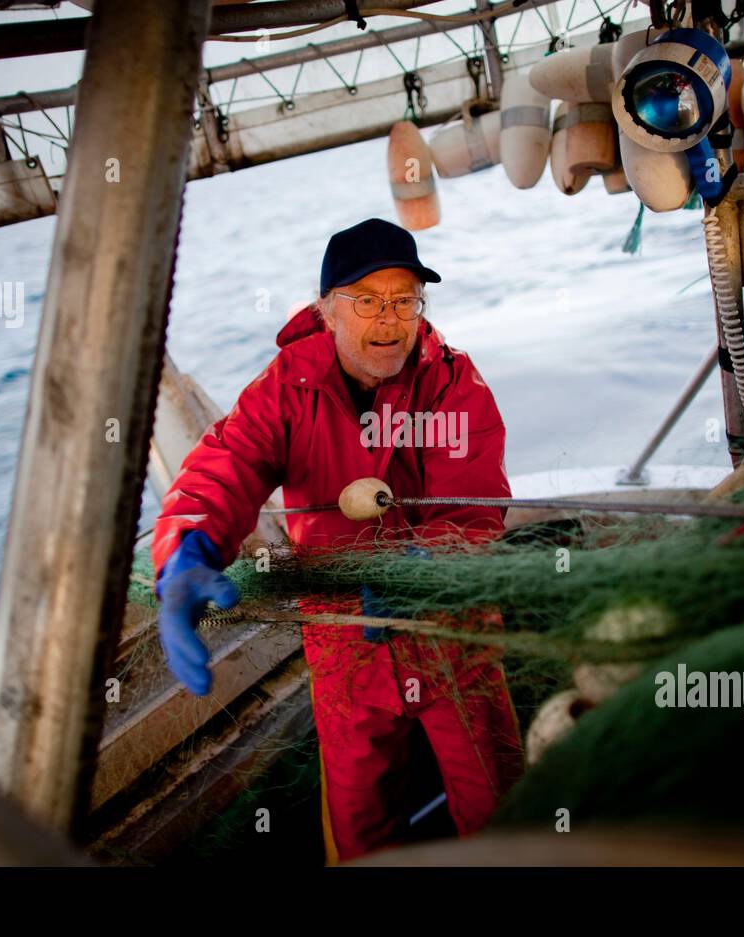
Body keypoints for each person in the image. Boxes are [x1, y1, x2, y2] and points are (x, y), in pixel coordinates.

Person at [152, 217, 524, 863]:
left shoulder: (453, 385)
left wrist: (423, 565)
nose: (390, 319)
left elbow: (472, 507)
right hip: (343, 641)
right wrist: (186, 550)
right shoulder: (286, 389)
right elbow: (226, 466)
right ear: (327, 310)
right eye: (369, 301)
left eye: (405, 300)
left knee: (501, 808)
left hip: (448, 625)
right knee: (358, 826)